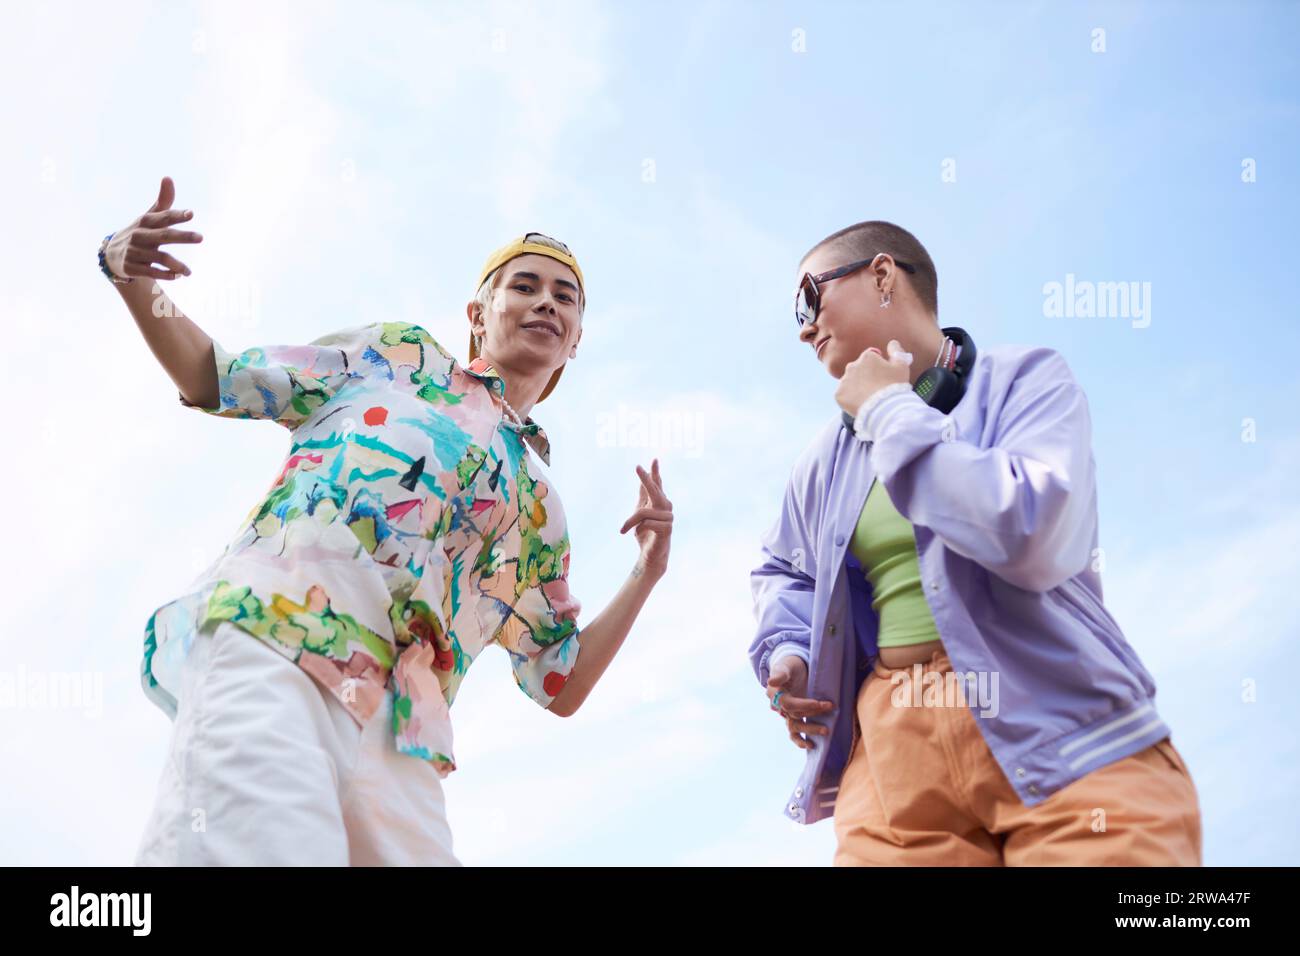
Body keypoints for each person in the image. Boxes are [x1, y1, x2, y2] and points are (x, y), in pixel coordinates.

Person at [107, 176, 674, 866]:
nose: (546, 302)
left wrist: (647, 573)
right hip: (280, 634)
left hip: (401, 734)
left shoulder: (539, 510)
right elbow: (214, 376)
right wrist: (131, 277)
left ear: (577, 339)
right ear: (479, 310)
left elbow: (560, 679)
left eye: (565, 297)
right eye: (524, 285)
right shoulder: (396, 359)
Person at [748, 219, 1202, 865]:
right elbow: (783, 571)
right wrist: (788, 650)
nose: (803, 326)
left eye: (809, 297)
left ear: (882, 275)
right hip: (893, 759)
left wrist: (889, 412)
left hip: (1060, 733)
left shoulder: (1024, 379)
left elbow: (1030, 532)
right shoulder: (824, 458)